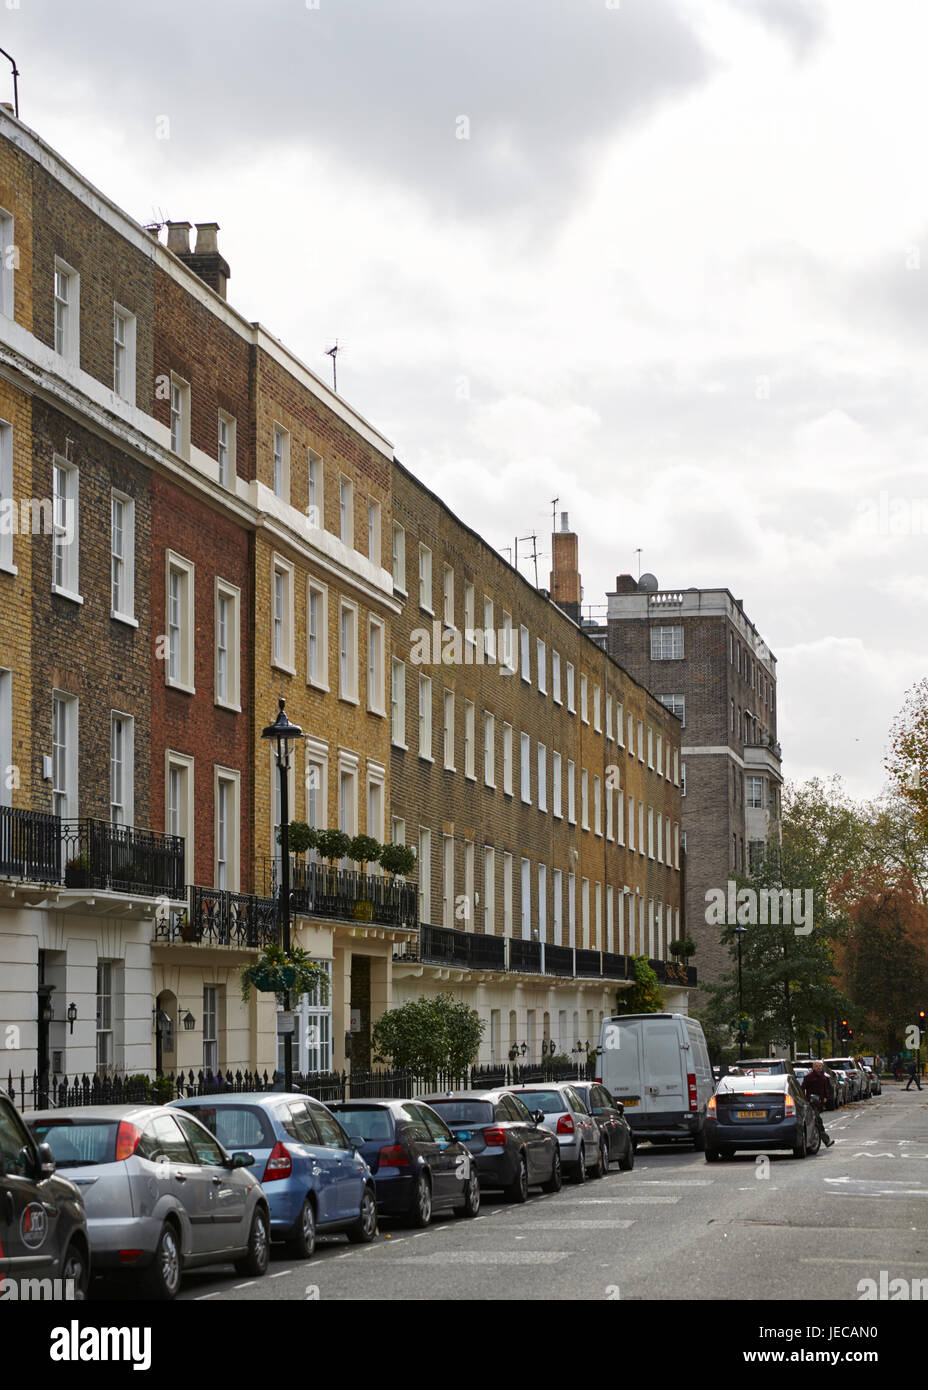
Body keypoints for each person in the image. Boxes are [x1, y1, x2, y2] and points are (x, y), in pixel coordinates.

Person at [801, 1060, 835, 1146]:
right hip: (811, 1103)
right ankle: (826, 1141)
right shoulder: (808, 1077)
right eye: (816, 1066)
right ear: (813, 1067)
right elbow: (802, 1088)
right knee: (818, 1121)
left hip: (820, 1103)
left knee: (815, 1122)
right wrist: (805, 1099)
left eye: (820, 1066)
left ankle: (812, 1141)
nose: (818, 1067)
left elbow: (826, 1089)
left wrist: (826, 1098)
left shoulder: (824, 1077)